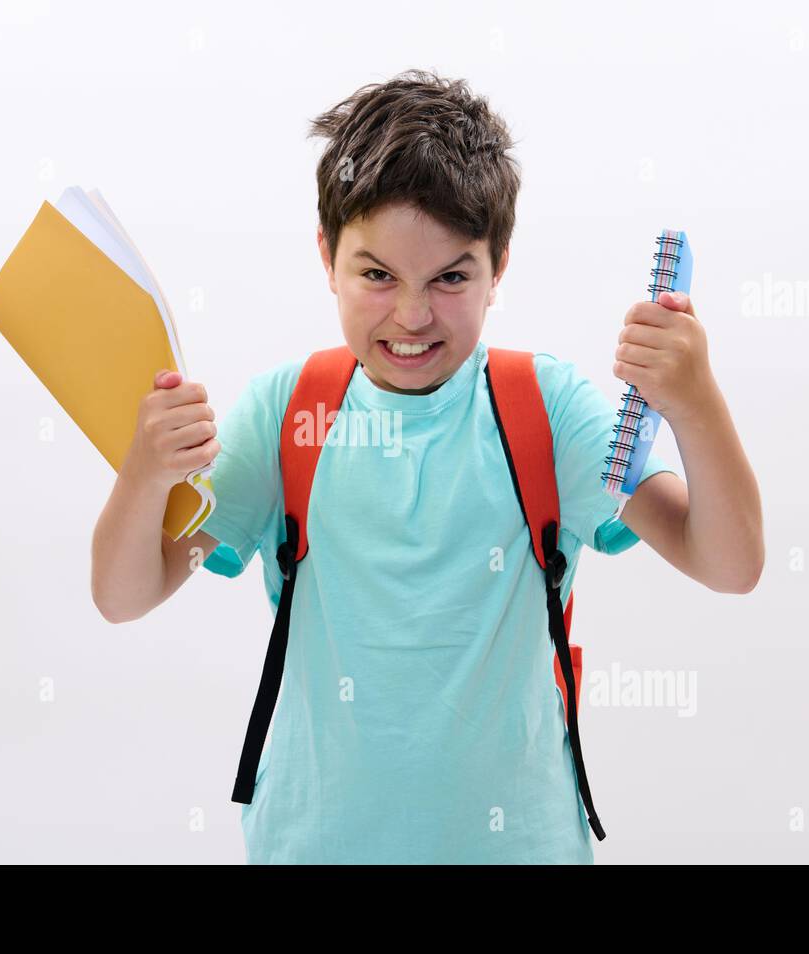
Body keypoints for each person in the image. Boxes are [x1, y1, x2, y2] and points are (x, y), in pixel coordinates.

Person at [91, 69, 764, 864]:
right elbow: (125, 596)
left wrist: (696, 405)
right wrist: (143, 475)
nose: (412, 315)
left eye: (450, 277)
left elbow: (729, 565)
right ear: (326, 257)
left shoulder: (544, 407)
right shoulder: (288, 410)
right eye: (377, 275)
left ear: (498, 266)